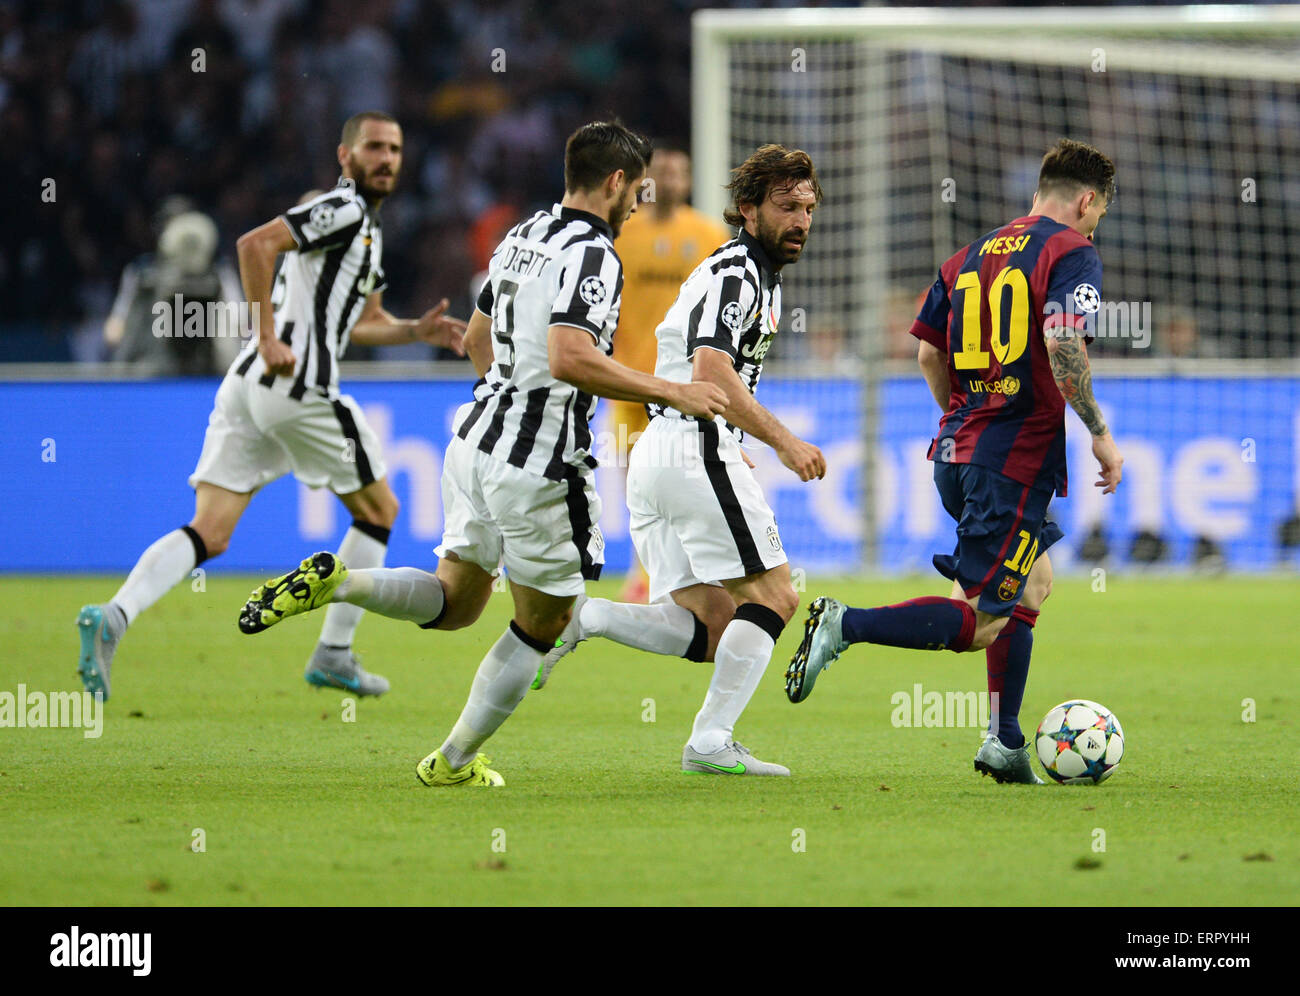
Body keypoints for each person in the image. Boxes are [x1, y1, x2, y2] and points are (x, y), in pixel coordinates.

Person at [236, 121, 729, 787]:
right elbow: (570, 357)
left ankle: (340, 582)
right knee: (546, 621)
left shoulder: (522, 235)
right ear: (615, 182)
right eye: (637, 190)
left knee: (457, 601)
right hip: (538, 462)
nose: (640, 204)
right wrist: (673, 390)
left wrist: (508, 400)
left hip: (473, 442)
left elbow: (476, 338)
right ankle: (452, 762)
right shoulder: (596, 254)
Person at [76, 111, 467, 701]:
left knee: (211, 531)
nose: (386, 159)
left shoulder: (367, 230)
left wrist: (415, 329)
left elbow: (361, 321)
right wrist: (265, 334)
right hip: (296, 383)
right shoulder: (343, 208)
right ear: (345, 156)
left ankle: (114, 616)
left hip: (250, 386)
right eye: (373, 147)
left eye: (394, 149)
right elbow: (254, 244)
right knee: (380, 509)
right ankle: (334, 653)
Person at [785, 139, 1125, 785]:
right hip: (1012, 462)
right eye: (1098, 214)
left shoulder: (965, 257)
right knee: (980, 625)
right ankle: (845, 623)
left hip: (958, 451)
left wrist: (966, 422)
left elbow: (927, 354)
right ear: (1086, 201)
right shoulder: (1072, 252)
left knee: (1033, 584)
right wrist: (1099, 433)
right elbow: (1062, 339)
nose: (1094, 226)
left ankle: (1004, 741)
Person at [533, 145, 827, 778]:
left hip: (663, 451)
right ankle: (711, 742)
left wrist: (734, 436)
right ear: (748, 209)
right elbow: (710, 370)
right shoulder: (738, 272)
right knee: (777, 596)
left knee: (715, 623)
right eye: (786, 207)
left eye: (808, 208)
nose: (800, 220)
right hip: (690, 445)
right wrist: (783, 441)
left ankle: (585, 616)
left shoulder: (751, 273)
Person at [608, 143, 731, 601]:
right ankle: (642, 571)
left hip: (687, 386)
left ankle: (693, 573)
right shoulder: (622, 232)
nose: (670, 180)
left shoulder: (709, 234)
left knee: (689, 480)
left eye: (678, 172)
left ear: (690, 180)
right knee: (636, 483)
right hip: (629, 381)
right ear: (645, 179)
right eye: (661, 171)